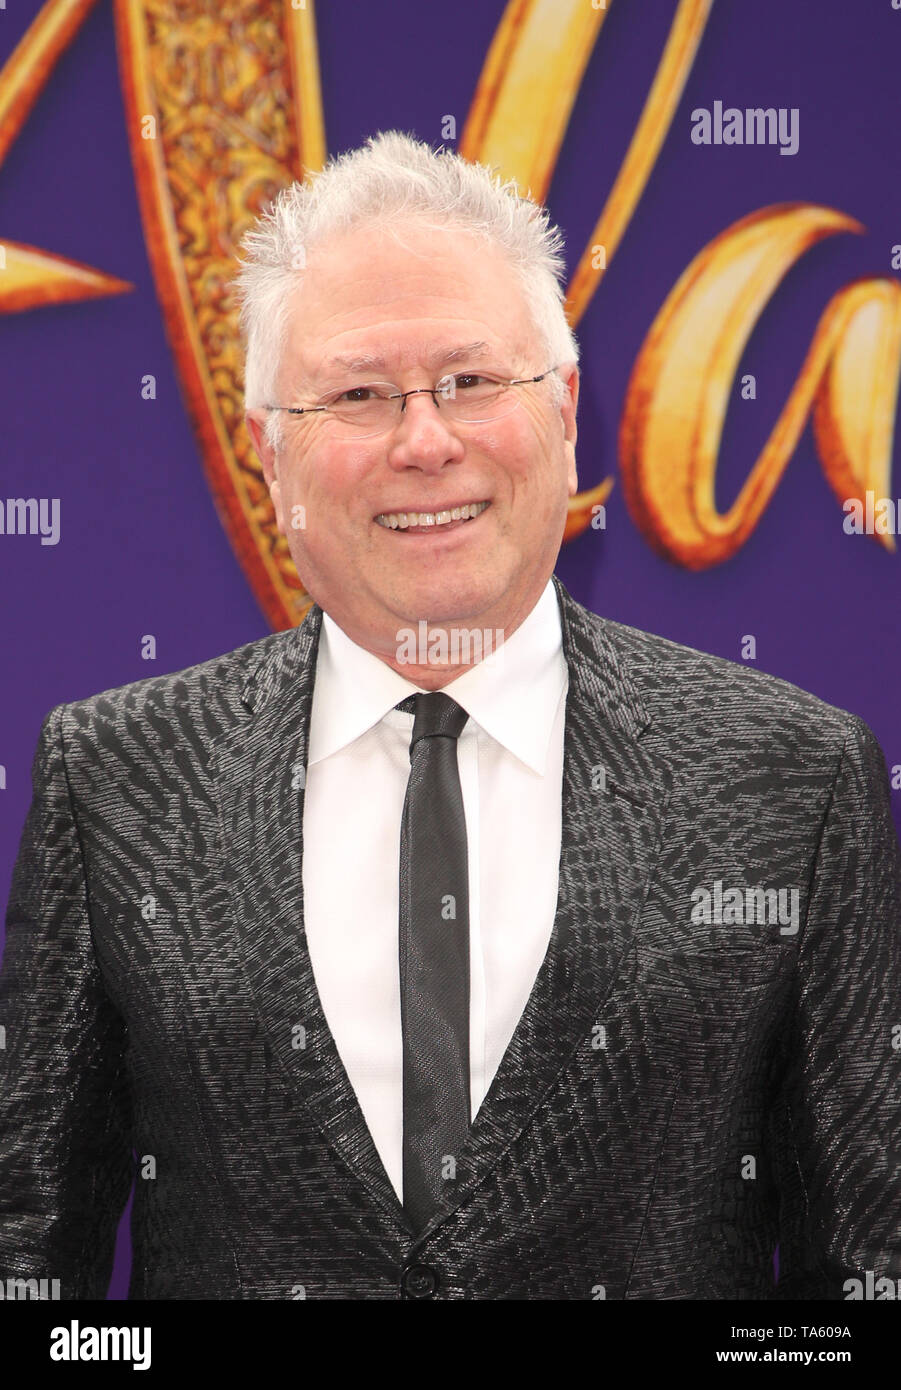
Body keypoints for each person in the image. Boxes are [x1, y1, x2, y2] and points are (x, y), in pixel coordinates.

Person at [0, 131, 898, 1301]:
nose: (425, 441)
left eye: (472, 381)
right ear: (272, 456)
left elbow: (868, 1270)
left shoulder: (793, 778)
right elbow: (26, 1250)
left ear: (566, 409)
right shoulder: (113, 774)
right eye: (359, 394)